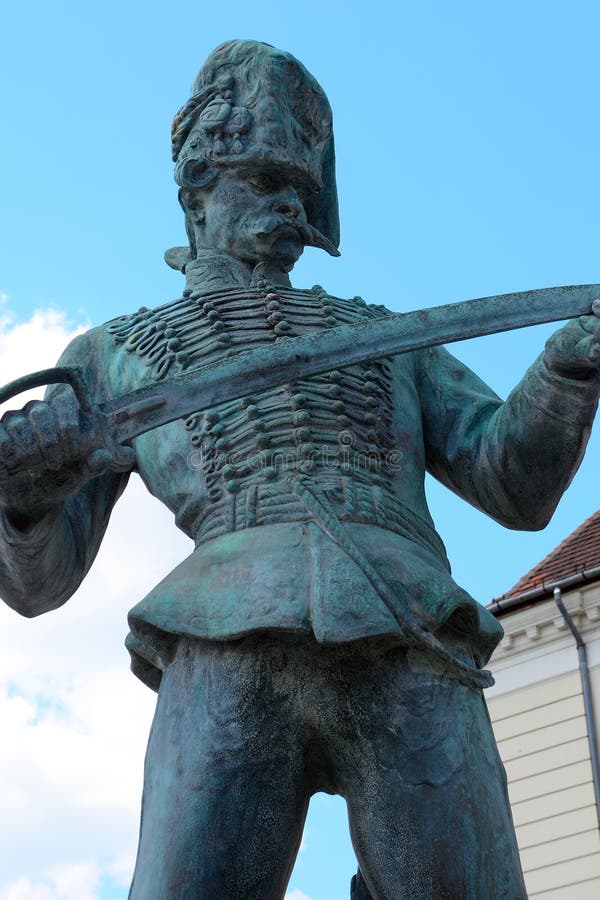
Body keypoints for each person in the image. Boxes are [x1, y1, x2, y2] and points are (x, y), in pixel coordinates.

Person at [1, 40, 599, 899]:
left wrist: (567, 370)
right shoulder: (110, 356)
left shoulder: (383, 336)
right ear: (196, 192)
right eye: (262, 183)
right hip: (222, 640)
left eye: (299, 192)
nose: (287, 207)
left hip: (409, 636)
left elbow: (513, 482)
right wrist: (22, 498)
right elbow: (40, 583)